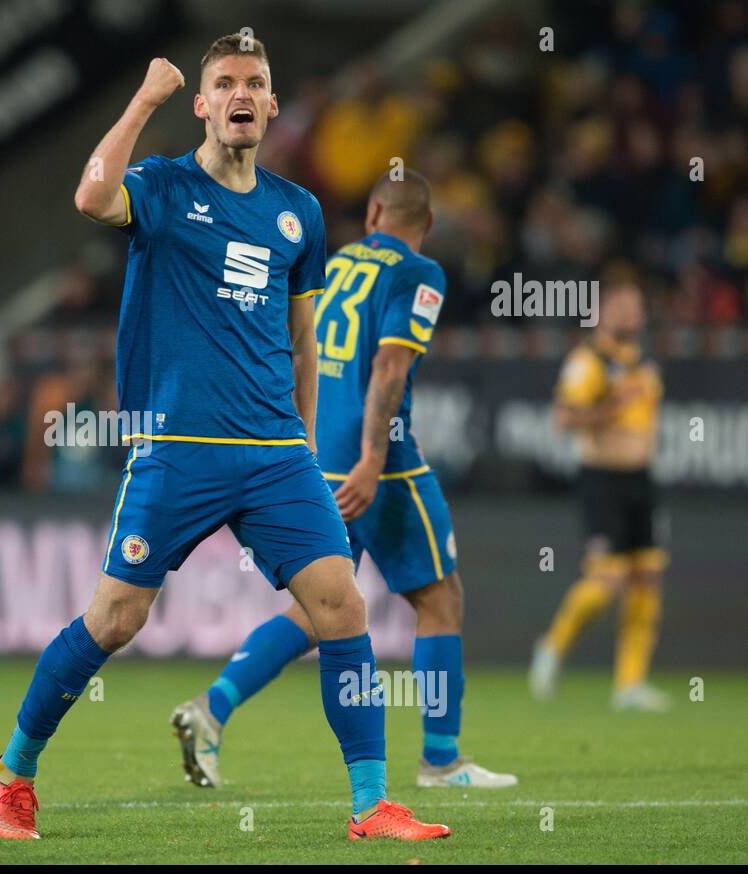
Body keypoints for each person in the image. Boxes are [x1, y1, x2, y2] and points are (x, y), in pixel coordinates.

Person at [0, 36, 451, 843]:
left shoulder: (297, 211)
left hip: (276, 454)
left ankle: (371, 804)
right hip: (177, 447)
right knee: (115, 620)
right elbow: (92, 199)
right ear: (203, 104)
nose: (241, 93)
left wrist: (303, 442)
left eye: (256, 83)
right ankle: (12, 771)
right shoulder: (163, 187)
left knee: (341, 608)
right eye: (224, 82)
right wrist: (142, 100)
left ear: (272, 107)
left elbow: (304, 340)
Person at [172, 170, 517, 791]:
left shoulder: (334, 263)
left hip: (313, 452)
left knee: (322, 609)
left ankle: (212, 709)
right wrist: (373, 458)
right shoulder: (419, 272)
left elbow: (290, 342)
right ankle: (441, 758)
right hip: (381, 461)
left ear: (374, 211)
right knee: (439, 600)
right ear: (427, 225)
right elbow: (389, 365)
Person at [530, 284, 667, 711]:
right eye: (620, 306)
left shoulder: (644, 362)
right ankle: (552, 646)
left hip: (641, 479)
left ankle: (630, 684)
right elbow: (562, 420)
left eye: (635, 306)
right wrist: (610, 406)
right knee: (605, 582)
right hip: (602, 479)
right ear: (604, 313)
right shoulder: (588, 360)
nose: (629, 314)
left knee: (646, 577)